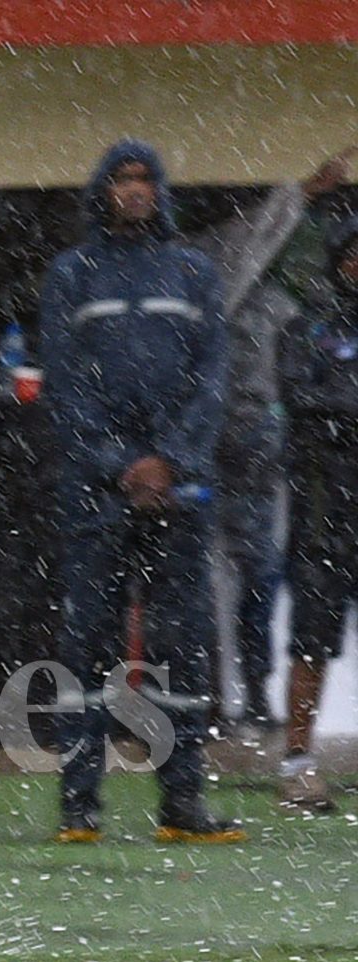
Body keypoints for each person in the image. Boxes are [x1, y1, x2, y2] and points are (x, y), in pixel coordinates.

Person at [40, 140, 237, 844]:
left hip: (177, 495)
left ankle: (182, 805)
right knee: (87, 647)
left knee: (181, 651)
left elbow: (214, 378)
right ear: (103, 189)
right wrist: (122, 465)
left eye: (145, 178)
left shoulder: (194, 272)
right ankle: (80, 808)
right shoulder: (72, 274)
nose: (135, 189)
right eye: (122, 179)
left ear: (161, 190)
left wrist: (170, 462)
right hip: (97, 496)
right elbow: (63, 387)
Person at [192, 149, 355, 732]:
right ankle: (221, 696)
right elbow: (245, 248)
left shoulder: (294, 310)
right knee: (218, 576)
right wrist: (302, 194)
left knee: (259, 573)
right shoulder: (208, 274)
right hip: (216, 447)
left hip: (270, 453)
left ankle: (254, 691)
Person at [273, 215, 358, 813]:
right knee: (312, 639)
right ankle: (298, 765)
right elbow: (300, 397)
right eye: (353, 253)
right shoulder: (310, 327)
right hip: (326, 506)